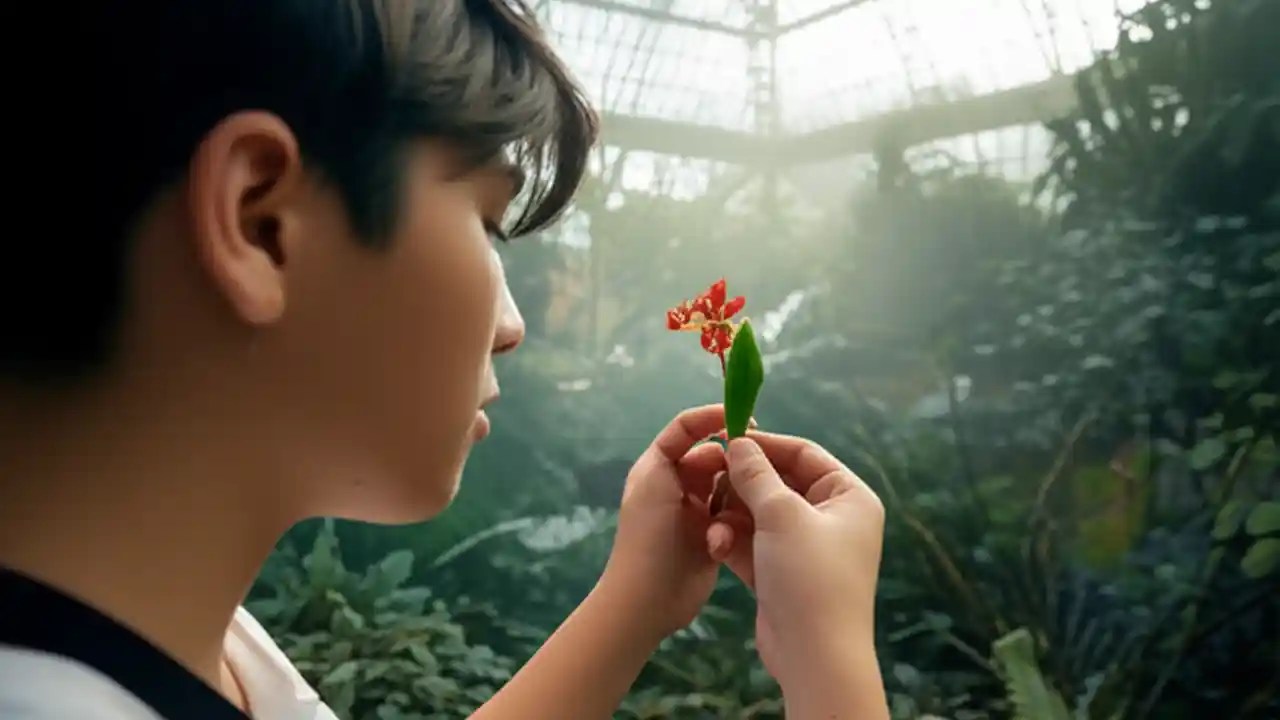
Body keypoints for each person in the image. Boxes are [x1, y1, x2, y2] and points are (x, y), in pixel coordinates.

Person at [0, 1, 889, 718]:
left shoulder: (174, 632)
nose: (511, 325)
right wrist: (835, 676)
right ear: (262, 223)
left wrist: (640, 600)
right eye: (486, 221)